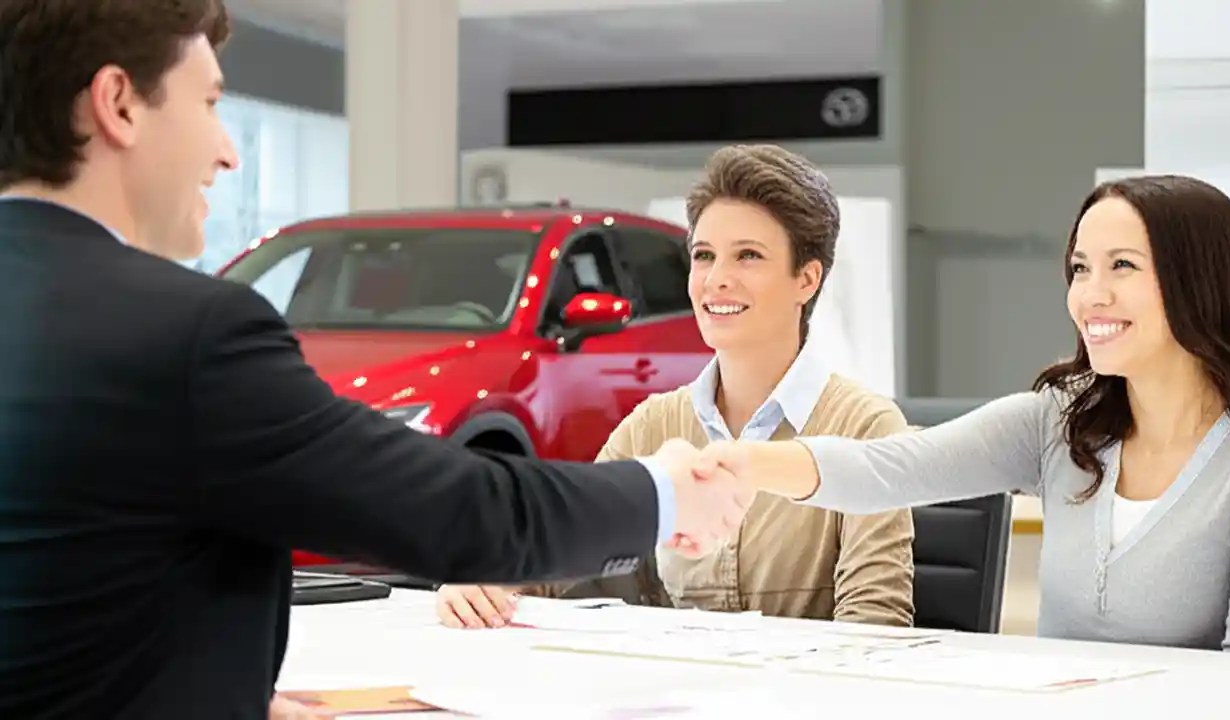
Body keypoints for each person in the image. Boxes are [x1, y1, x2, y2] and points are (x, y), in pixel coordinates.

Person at [0, 2, 752, 719]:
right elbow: (465, 513)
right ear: (118, 103)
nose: (227, 150)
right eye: (207, 103)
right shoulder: (185, 332)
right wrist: (665, 493)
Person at [698, 174, 1230, 654]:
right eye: (1080, 269)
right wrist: (737, 463)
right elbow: (888, 468)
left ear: (1200, 281)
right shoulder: (1061, 420)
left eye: (1122, 266)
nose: (1089, 295)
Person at [436, 145, 915, 630]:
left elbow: (877, 627)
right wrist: (486, 579)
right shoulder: (653, 425)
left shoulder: (865, 428)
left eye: (748, 256)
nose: (717, 280)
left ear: (807, 279)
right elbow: (561, 549)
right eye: (704, 256)